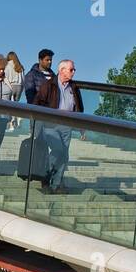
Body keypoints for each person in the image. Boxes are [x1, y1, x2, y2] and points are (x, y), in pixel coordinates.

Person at [32, 59, 85, 192]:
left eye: (74, 69)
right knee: (58, 150)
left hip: (67, 125)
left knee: (64, 155)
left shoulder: (74, 87)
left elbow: (79, 108)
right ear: (62, 70)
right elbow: (37, 103)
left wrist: (81, 127)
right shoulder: (49, 85)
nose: (74, 72)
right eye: (71, 69)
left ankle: (56, 184)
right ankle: (45, 176)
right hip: (50, 125)